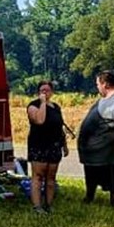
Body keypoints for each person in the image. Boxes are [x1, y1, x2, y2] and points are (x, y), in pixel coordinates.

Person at [77, 71, 114, 207]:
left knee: (113, 176)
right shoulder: (106, 99)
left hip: (109, 150)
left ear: (105, 84)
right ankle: (89, 197)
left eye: (98, 84)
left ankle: (113, 204)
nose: (97, 87)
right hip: (95, 149)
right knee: (92, 174)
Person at [26, 80, 68, 214]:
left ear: (52, 92)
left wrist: (64, 145)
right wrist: (43, 103)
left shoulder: (56, 107)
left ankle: (49, 205)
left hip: (54, 146)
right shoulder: (33, 106)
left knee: (51, 178)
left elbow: (60, 127)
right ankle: (37, 206)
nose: (45, 92)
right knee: (38, 177)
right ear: (38, 92)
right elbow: (39, 120)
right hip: (39, 146)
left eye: (47, 90)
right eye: (42, 90)